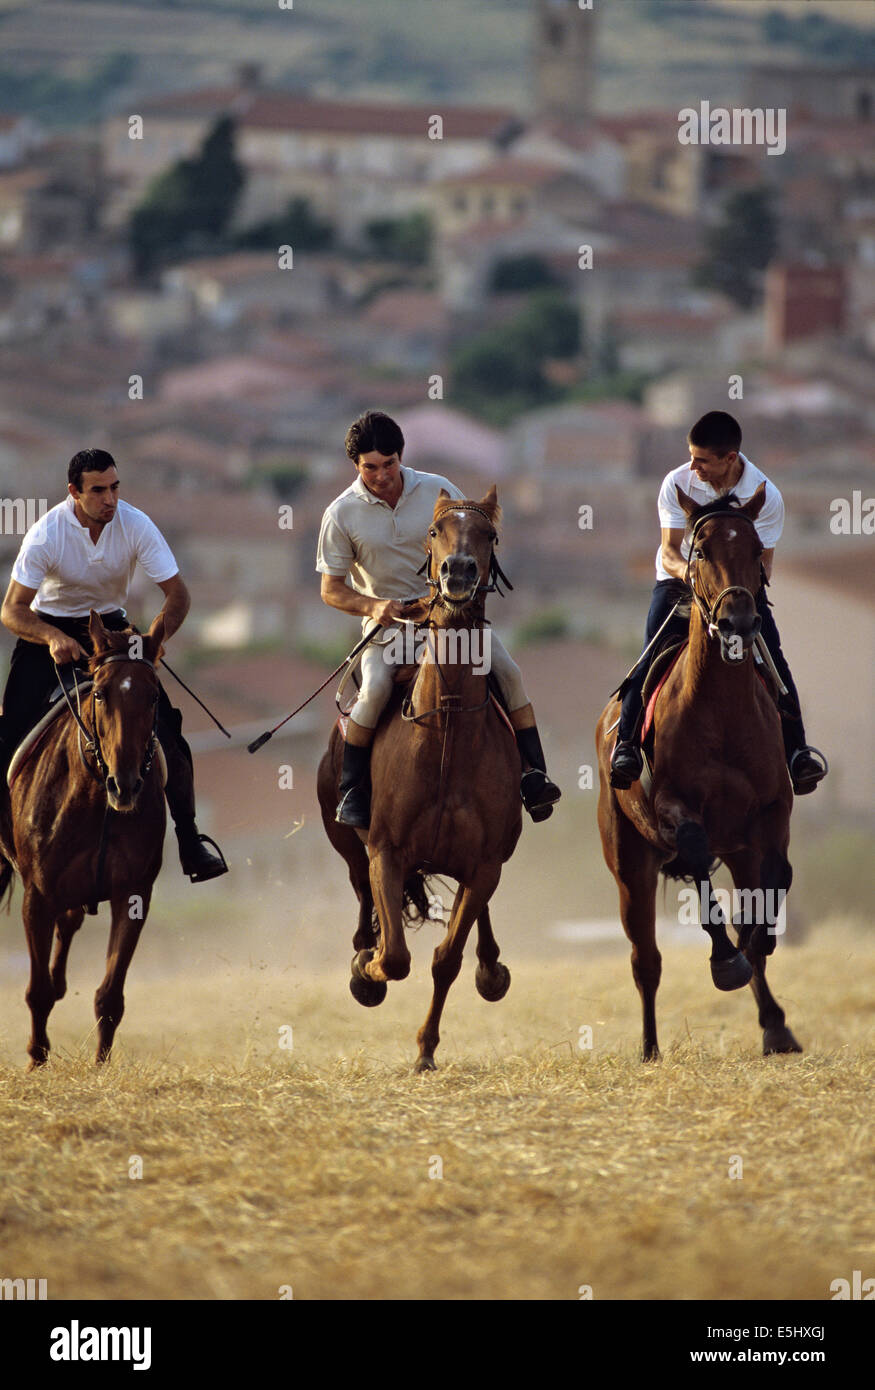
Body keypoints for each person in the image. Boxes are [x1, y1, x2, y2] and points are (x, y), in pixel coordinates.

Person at [316, 410, 561, 827]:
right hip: (388, 630)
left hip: (453, 619)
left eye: (389, 464)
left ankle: (533, 777)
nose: (381, 475)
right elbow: (331, 589)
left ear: (400, 456)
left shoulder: (439, 490)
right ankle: (354, 792)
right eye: (370, 468)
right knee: (374, 691)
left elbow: (469, 545)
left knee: (509, 671)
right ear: (356, 466)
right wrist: (375, 607)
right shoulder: (340, 514)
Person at [0, 447, 228, 881]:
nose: (110, 499)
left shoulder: (135, 524)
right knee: (7, 735)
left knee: (169, 732)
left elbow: (178, 596)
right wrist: (53, 638)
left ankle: (190, 841)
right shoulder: (47, 533)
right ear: (75, 492)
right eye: (99, 491)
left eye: (115, 487)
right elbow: (12, 611)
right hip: (46, 632)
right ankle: (8, 842)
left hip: (114, 633)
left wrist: (154, 641)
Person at [610, 411, 827, 795]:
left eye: (702, 461)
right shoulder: (676, 483)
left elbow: (765, 565)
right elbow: (669, 550)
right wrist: (694, 579)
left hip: (739, 587)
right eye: (690, 457)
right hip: (680, 580)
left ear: (729, 459)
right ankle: (626, 744)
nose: (692, 468)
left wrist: (733, 592)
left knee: (773, 657)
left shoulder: (767, 495)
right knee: (650, 652)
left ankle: (798, 752)